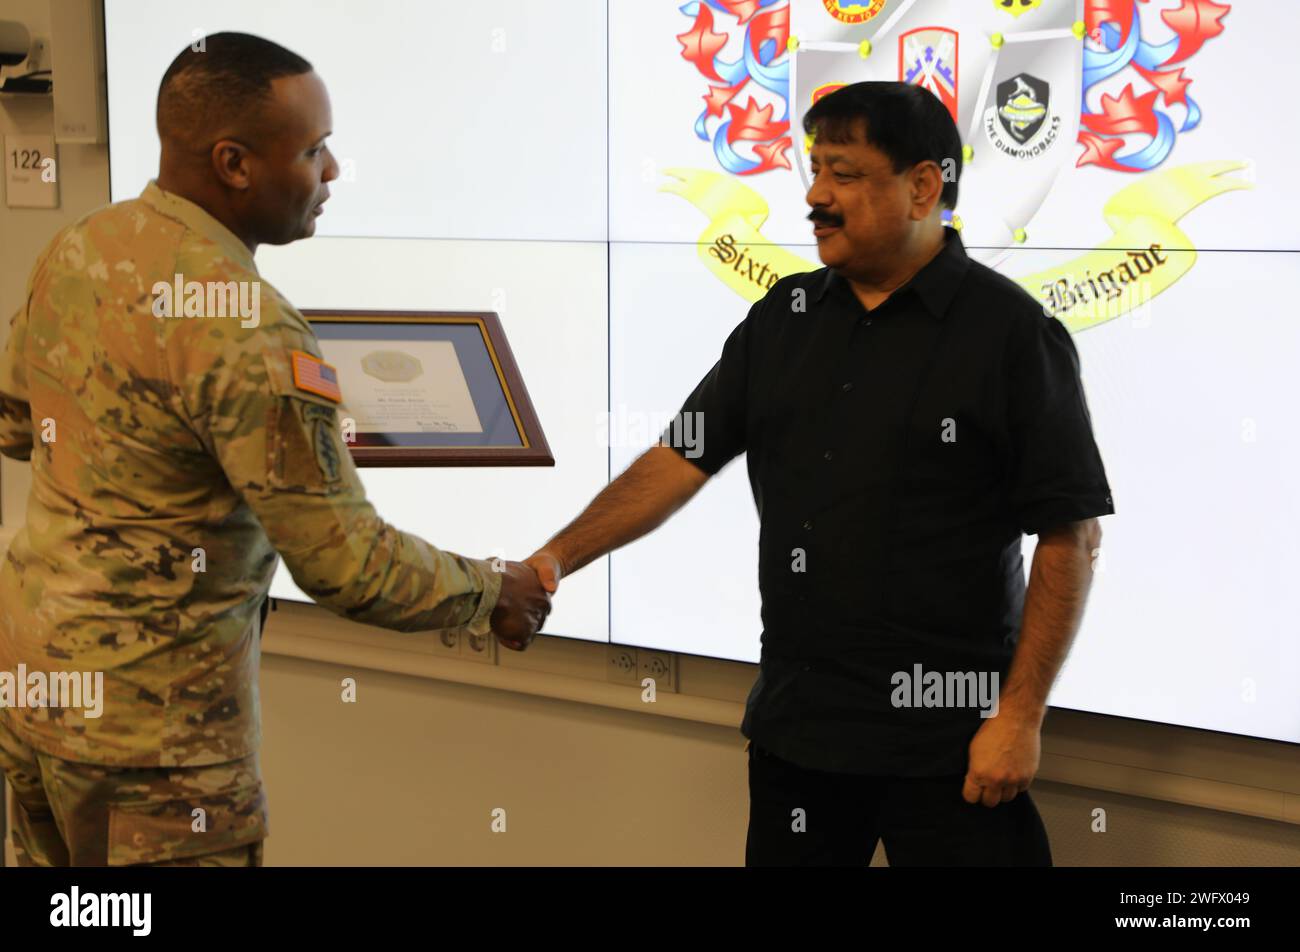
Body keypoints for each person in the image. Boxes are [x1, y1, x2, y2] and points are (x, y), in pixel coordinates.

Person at [525, 82, 1113, 866]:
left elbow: (1070, 535)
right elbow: (677, 458)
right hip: (799, 736)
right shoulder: (782, 317)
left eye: (843, 173)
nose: (815, 195)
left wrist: (1021, 717)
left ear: (923, 186)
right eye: (813, 169)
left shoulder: (1010, 333)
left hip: (953, 745)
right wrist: (553, 560)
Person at [0, 33, 550, 867]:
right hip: (158, 749)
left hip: (39, 699)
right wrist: (493, 590)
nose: (331, 172)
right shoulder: (249, 326)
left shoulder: (83, 246)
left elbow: (13, 422)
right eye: (314, 150)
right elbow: (349, 567)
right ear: (234, 163)